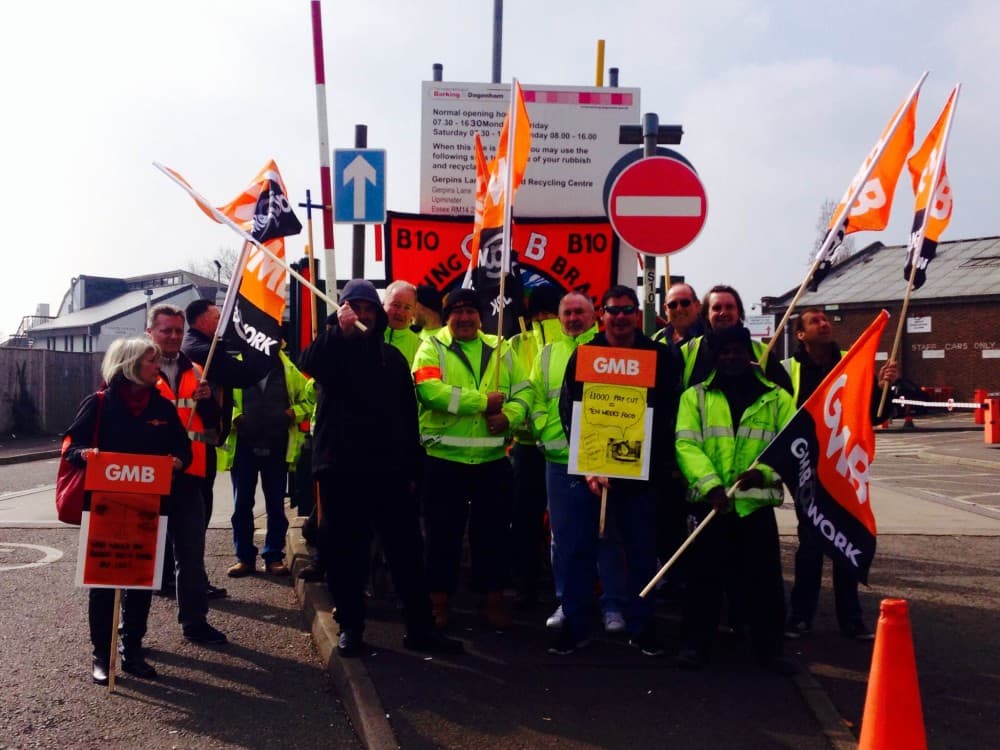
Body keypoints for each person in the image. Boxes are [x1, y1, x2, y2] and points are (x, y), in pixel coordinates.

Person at [299, 279, 462, 657]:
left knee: (406, 552)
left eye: (369, 308)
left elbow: (408, 419)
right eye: (355, 307)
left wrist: (411, 470)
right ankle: (351, 627)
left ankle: (420, 628)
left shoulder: (392, 359)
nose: (363, 315)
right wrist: (336, 332)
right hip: (341, 472)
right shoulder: (333, 353)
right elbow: (310, 363)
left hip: (388, 473)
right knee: (346, 554)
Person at [553, 285, 682, 655]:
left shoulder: (661, 357)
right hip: (592, 475)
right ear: (602, 315)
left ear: (637, 315)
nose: (621, 317)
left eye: (628, 310)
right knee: (580, 550)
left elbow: (670, 416)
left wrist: (649, 465)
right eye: (614, 311)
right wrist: (591, 465)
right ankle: (576, 626)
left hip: (641, 478)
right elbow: (569, 411)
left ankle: (642, 626)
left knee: (641, 554)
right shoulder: (586, 354)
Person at [65, 337, 192, 684]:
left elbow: (184, 448)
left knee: (139, 584)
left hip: (149, 511)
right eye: (151, 362)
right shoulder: (100, 404)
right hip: (105, 513)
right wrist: (84, 455)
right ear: (131, 365)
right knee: (104, 585)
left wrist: (179, 461)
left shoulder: (162, 408)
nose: (157, 367)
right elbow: (69, 446)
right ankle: (101, 655)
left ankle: (132, 649)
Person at [674, 323, 797, 674]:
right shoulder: (694, 397)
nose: (731, 357)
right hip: (712, 504)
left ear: (750, 353)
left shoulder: (777, 397)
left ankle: (770, 650)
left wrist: (766, 472)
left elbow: (788, 445)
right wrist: (711, 485)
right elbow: (686, 444)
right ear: (715, 355)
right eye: (724, 351)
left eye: (738, 350)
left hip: (753, 506)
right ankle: (694, 645)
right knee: (703, 581)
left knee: (765, 584)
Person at [412, 287, 530, 631]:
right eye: (457, 312)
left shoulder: (500, 348)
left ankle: (492, 601)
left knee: (492, 536)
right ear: (447, 317)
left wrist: (509, 416)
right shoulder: (431, 347)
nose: (464, 317)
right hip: (443, 461)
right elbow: (429, 392)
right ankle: (438, 603)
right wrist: (482, 403)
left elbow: (524, 392)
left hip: (492, 461)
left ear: (481, 316)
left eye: (470, 311)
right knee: (441, 536)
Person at [782, 307, 899, 641]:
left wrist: (884, 387)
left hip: (843, 465)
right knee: (811, 542)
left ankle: (851, 618)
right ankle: (801, 616)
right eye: (814, 321)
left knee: (845, 538)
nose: (824, 323)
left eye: (825, 319)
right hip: (807, 468)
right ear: (800, 334)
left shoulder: (851, 361)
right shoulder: (788, 370)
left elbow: (873, 415)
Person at [527, 291, 628, 635]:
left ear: (593, 315)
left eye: (579, 312)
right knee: (563, 538)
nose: (572, 318)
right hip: (558, 459)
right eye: (567, 313)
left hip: (602, 461)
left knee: (606, 535)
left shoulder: (607, 350)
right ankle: (567, 602)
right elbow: (535, 399)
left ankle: (612, 604)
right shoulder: (547, 354)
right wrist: (542, 430)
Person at [146, 304, 228, 645]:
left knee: (191, 554)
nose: (174, 336)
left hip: (190, 474)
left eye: (178, 331)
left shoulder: (196, 368)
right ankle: (130, 635)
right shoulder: (135, 368)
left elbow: (209, 423)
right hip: (147, 477)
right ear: (150, 331)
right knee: (140, 557)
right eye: (166, 330)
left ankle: (194, 622)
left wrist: (208, 401)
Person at [180, 298, 271, 599]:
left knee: (192, 520)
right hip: (193, 450)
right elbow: (244, 375)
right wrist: (264, 347)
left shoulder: (203, 347)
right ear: (202, 321)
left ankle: (183, 579)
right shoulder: (201, 351)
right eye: (217, 316)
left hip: (201, 446)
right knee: (194, 521)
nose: (223, 320)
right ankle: (189, 582)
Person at [221, 347, 313, 578]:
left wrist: (294, 412)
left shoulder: (288, 368)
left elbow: (309, 401)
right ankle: (244, 558)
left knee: (275, 504)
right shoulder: (234, 366)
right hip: (244, 446)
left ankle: (273, 556)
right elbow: (221, 400)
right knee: (242, 504)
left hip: (277, 445)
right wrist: (235, 417)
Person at [508, 283, 563, 608]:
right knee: (528, 519)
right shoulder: (517, 341)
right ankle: (528, 584)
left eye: (547, 311)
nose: (543, 317)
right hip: (530, 445)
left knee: (552, 521)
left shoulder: (569, 341)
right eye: (539, 311)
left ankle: (537, 585)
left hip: (551, 447)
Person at [680, 284, 793, 392]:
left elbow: (784, 394)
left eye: (729, 307)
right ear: (706, 314)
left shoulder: (762, 351)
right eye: (717, 308)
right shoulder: (687, 351)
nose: (723, 313)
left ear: (739, 312)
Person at [383, 280, 423, 367]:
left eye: (407, 308)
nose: (400, 312)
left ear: (414, 311)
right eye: (396, 305)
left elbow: (424, 380)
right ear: (383, 304)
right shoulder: (368, 336)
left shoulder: (421, 347)